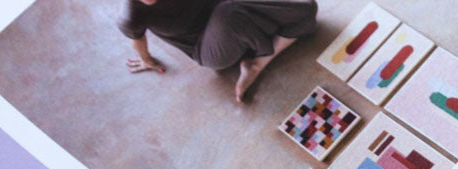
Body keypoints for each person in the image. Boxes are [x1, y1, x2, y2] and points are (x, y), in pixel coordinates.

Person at [120, 0, 318, 103]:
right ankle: (257, 46)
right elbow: (137, 39)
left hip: (230, 9)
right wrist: (146, 60)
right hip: (208, 47)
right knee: (229, 12)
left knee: (306, 8)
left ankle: (257, 63)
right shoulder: (131, 15)